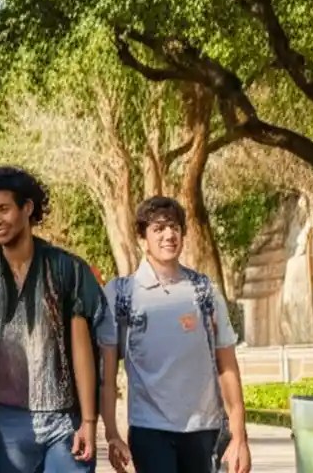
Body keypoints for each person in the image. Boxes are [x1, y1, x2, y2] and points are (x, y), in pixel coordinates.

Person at [0, 166, 104, 473]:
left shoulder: (67, 269)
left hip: (64, 419)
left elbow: (82, 351)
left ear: (27, 208)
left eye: (3, 209)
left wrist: (89, 422)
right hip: (9, 422)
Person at [98, 196, 251, 473]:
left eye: (175, 227)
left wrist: (239, 436)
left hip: (204, 430)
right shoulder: (122, 294)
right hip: (149, 430)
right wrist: (111, 434)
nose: (169, 235)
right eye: (158, 229)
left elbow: (227, 366)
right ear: (142, 239)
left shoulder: (203, 290)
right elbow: (107, 377)